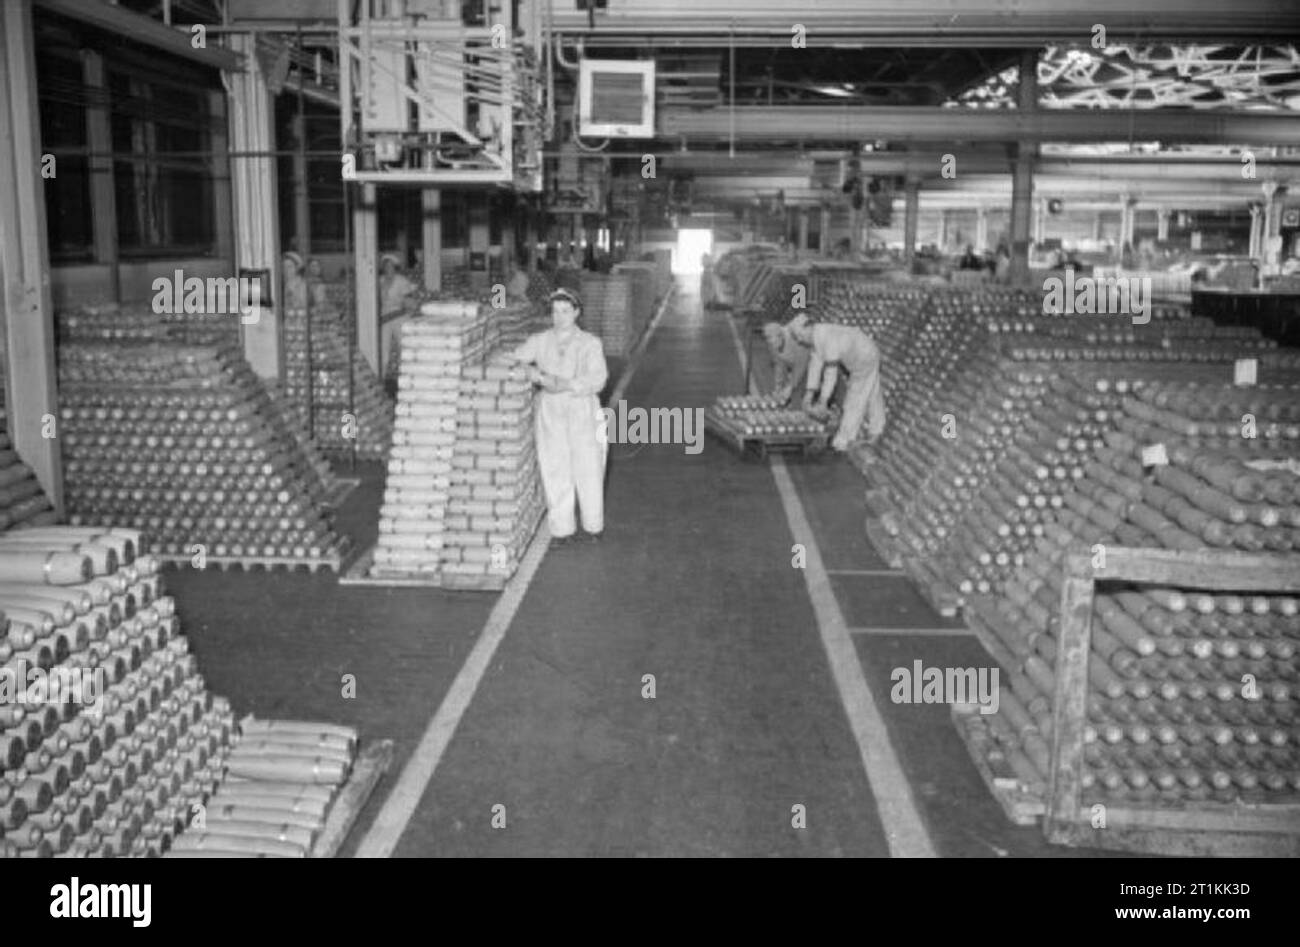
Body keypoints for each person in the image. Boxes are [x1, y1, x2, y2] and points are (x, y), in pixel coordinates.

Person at [506, 289, 609, 545]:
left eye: (565, 311)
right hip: (551, 410)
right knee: (555, 467)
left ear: (576, 312)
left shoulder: (589, 343)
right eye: (555, 311)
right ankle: (562, 529)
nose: (559, 317)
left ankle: (593, 525)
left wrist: (564, 383)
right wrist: (530, 372)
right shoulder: (540, 340)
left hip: (582, 409)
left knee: (589, 467)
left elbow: (598, 379)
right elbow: (514, 358)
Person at [788, 313, 886, 451]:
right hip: (865, 353)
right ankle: (877, 430)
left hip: (864, 358)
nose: (799, 339)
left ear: (808, 327)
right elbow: (815, 366)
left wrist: (823, 401)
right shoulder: (817, 338)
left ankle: (844, 441)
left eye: (799, 335)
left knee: (854, 399)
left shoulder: (828, 338)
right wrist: (809, 394)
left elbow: (830, 374)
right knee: (872, 394)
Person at [762, 321, 810, 405]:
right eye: (768, 339)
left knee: (805, 390)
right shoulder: (773, 342)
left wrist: (790, 387)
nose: (771, 343)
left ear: (781, 336)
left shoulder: (797, 340)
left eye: (773, 341)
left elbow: (800, 368)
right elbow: (778, 364)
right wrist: (778, 386)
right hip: (793, 362)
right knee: (787, 390)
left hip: (811, 360)